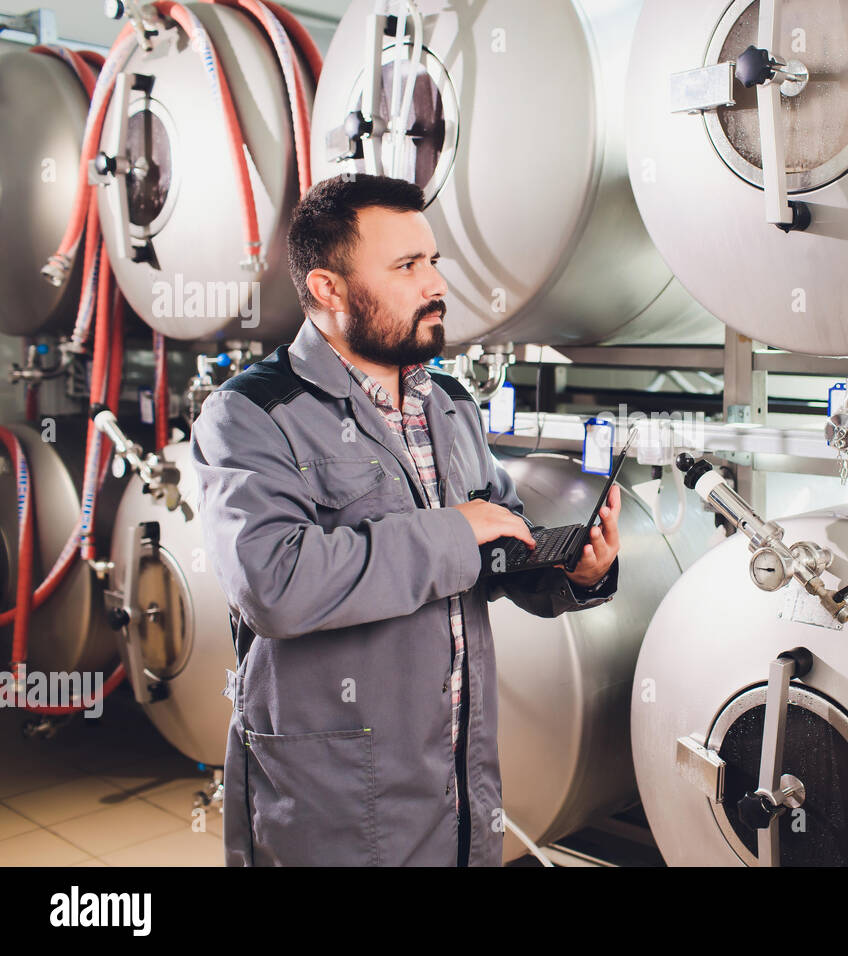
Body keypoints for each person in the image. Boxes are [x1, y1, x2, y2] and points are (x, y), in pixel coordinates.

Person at [190, 173, 620, 866]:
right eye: (406, 267)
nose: (435, 285)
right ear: (328, 290)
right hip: (332, 796)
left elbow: (494, 534)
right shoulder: (251, 414)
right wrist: (455, 532)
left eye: (433, 261)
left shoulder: (447, 402)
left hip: (457, 777)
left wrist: (569, 571)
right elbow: (273, 582)